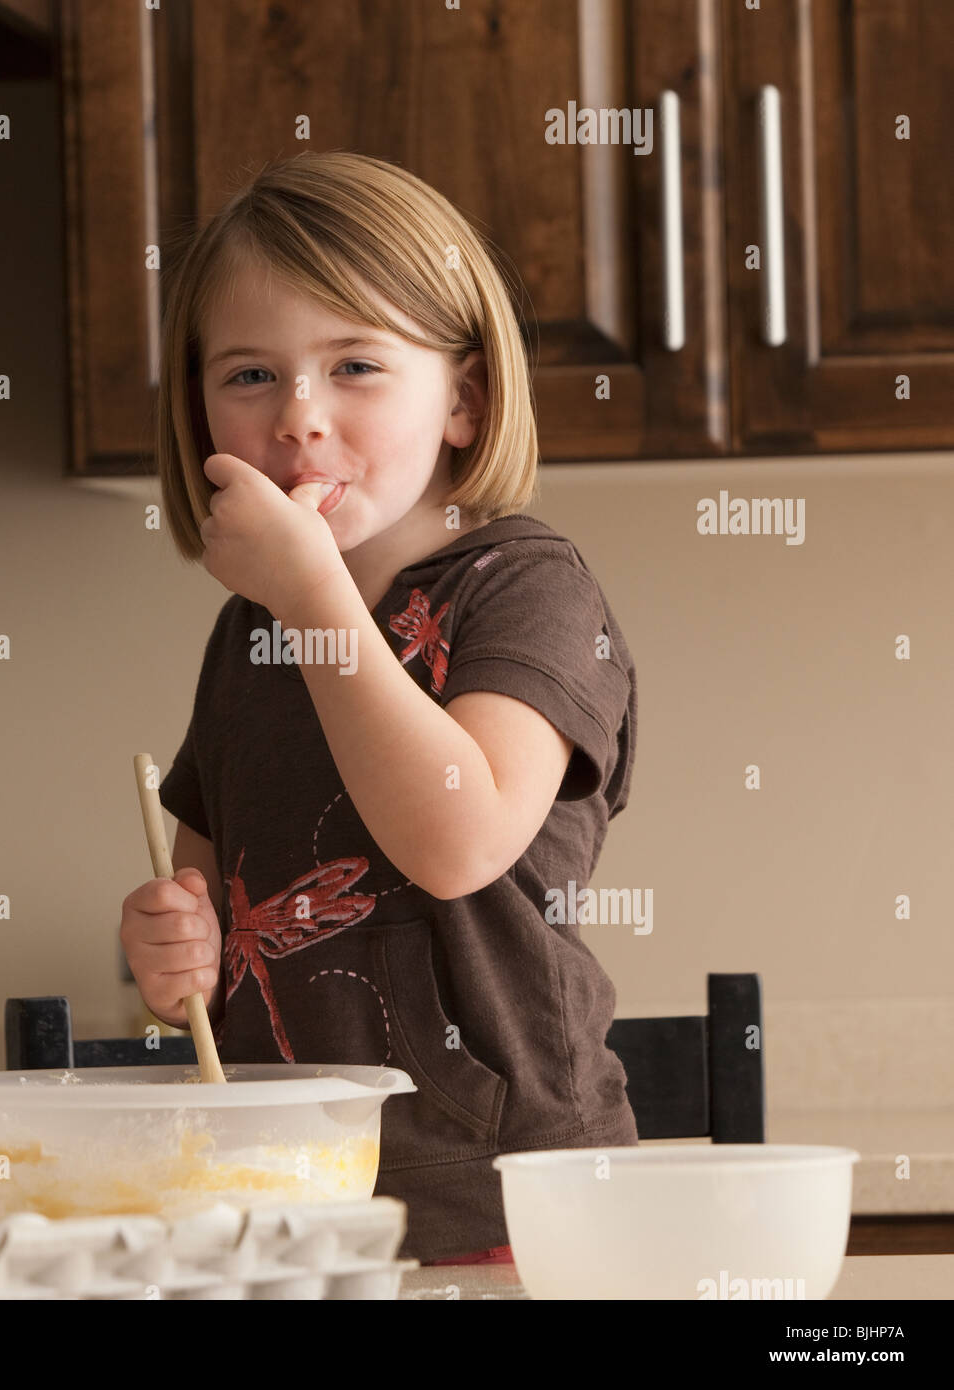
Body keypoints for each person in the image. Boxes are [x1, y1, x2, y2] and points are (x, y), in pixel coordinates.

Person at [119, 150, 639, 1266]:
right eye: (250, 376)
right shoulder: (248, 632)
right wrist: (171, 962)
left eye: (355, 364)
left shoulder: (527, 588)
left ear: (464, 399)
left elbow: (458, 840)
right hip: (289, 1218)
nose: (298, 419)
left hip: (511, 1208)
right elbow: (210, 928)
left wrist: (307, 588)